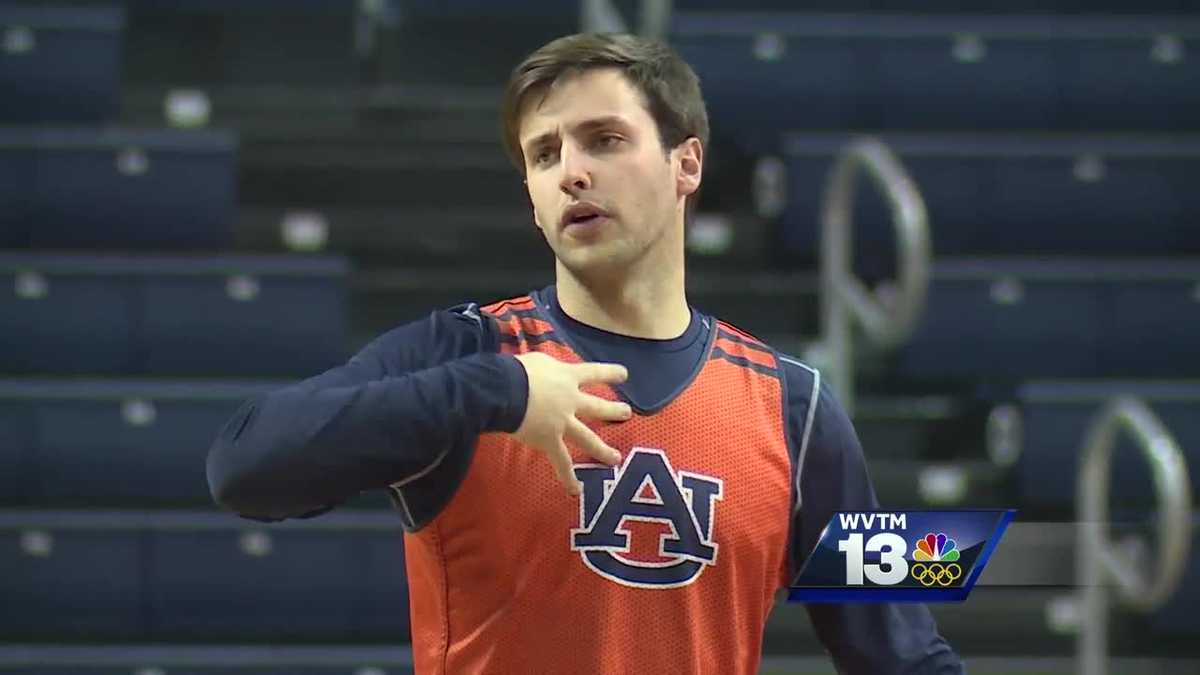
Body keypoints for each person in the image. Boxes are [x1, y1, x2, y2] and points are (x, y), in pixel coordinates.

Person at [207, 32, 964, 675]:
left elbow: (905, 649)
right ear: (533, 202)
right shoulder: (468, 350)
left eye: (605, 140)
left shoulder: (795, 408)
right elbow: (242, 464)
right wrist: (495, 390)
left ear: (686, 165)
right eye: (544, 155)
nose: (571, 170)